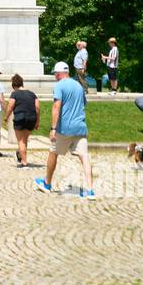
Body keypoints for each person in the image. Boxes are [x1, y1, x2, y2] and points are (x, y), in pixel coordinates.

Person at [35, 61, 95, 198]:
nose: (55, 76)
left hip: (64, 128)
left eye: (55, 74)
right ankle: (90, 190)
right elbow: (83, 104)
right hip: (80, 127)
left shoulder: (59, 86)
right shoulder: (79, 86)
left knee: (53, 153)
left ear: (59, 73)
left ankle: (47, 183)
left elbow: (57, 106)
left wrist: (53, 128)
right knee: (84, 157)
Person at [5, 73, 39, 168]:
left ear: (13, 85)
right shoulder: (32, 94)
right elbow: (37, 108)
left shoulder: (14, 93)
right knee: (24, 140)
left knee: (21, 141)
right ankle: (20, 154)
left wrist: (6, 117)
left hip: (20, 117)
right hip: (31, 118)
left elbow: (10, 106)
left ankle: (24, 162)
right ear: (22, 83)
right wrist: (37, 121)